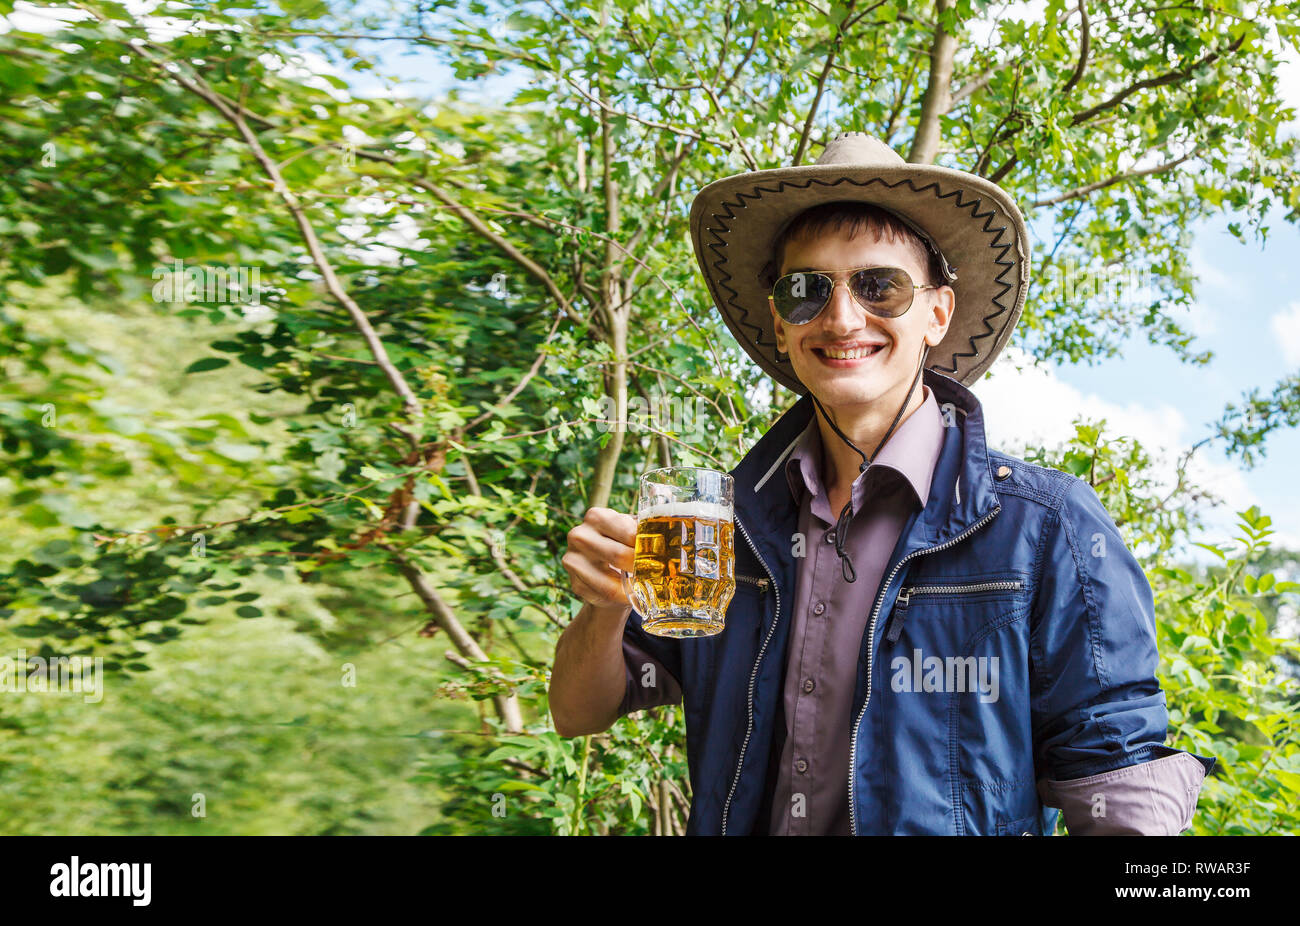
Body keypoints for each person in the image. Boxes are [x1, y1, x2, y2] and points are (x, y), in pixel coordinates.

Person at [549, 130, 1215, 835]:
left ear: (936, 313)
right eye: (807, 290)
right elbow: (578, 711)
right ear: (780, 323)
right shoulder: (725, 526)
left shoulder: (1047, 527)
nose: (841, 318)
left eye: (879, 286)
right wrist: (604, 607)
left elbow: (1121, 796)